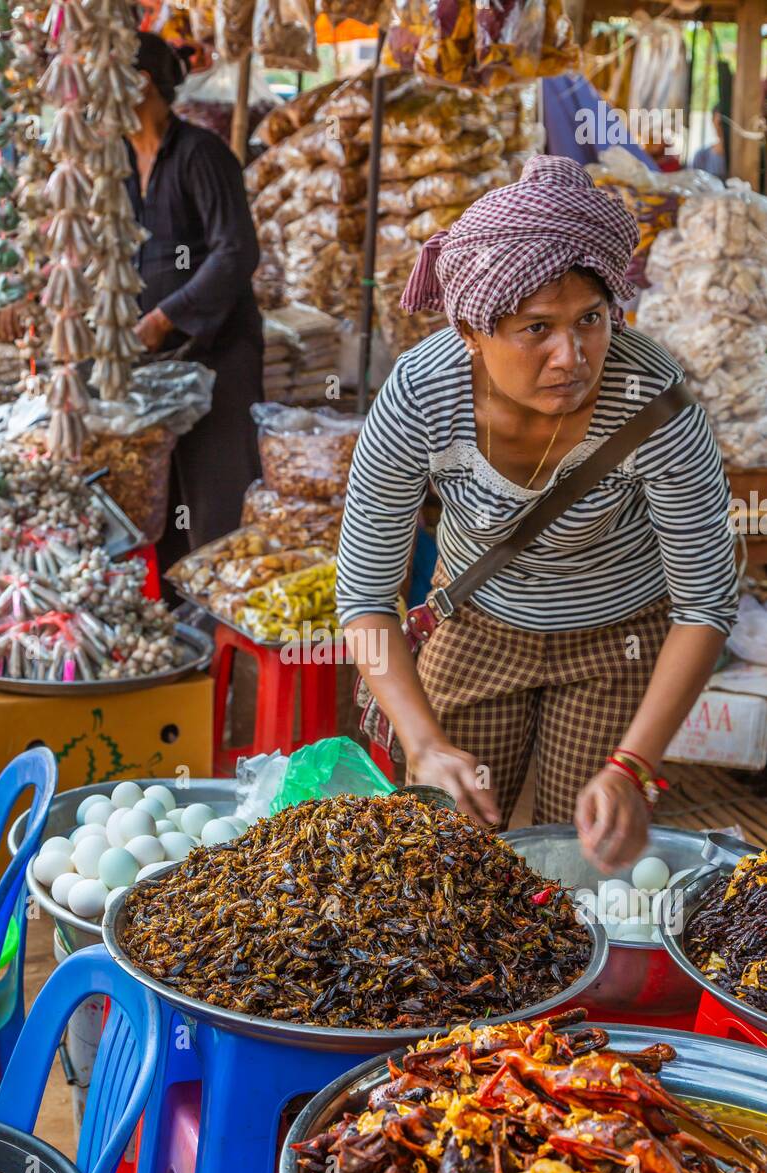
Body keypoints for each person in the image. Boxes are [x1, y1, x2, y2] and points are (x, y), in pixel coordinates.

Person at [338, 156, 738, 873]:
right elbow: (366, 603)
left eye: (591, 319)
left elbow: (705, 604)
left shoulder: (655, 401)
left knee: (581, 868)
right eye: (535, 329)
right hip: (479, 623)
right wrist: (423, 743)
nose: (572, 356)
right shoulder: (420, 398)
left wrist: (631, 765)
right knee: (441, 865)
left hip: (617, 641)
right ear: (470, 331)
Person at [128, 32, 263, 564]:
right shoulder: (116, 161)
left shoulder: (201, 154)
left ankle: (218, 622)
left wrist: (167, 316)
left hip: (217, 353)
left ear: (139, 84)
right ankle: (174, 619)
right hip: (153, 360)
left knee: (216, 493)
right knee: (162, 492)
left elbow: (235, 253)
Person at [692, 105, 728, 180]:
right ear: (713, 121)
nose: (723, 128)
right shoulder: (701, 157)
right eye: (720, 123)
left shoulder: (741, 160)